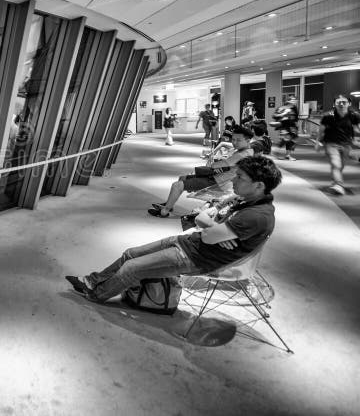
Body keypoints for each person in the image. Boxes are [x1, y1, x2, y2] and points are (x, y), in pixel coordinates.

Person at [66, 155, 281, 304]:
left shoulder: (256, 216)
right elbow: (205, 215)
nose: (233, 180)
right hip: (189, 242)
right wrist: (214, 224)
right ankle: (92, 281)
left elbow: (206, 228)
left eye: (240, 177)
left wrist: (210, 222)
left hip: (197, 258)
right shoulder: (243, 199)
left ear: (259, 185)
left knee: (132, 268)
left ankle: (96, 294)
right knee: (130, 253)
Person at [149, 125, 253, 217]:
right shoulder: (246, 150)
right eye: (233, 139)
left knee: (177, 185)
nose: (234, 142)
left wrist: (216, 162)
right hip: (216, 177)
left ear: (248, 141)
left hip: (218, 182)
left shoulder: (242, 154)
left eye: (238, 140)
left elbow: (218, 165)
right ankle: (169, 204)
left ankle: (165, 211)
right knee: (182, 178)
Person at [319, 94, 360, 196]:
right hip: (330, 143)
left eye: (344, 102)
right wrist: (317, 141)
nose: (341, 104)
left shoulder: (354, 115)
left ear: (349, 103)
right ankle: (339, 185)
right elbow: (321, 130)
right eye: (338, 102)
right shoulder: (328, 115)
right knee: (336, 163)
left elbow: (357, 128)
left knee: (340, 166)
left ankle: (335, 182)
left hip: (346, 144)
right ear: (334, 104)